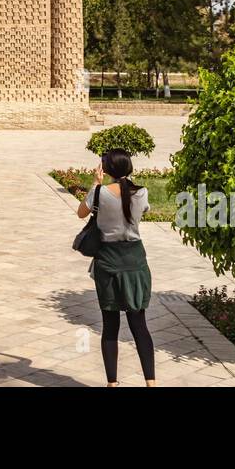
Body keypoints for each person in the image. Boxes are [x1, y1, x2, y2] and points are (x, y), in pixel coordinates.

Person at [76, 148, 155, 387]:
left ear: (106, 168)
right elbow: (144, 210)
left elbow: (81, 213)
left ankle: (112, 383)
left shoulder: (99, 193)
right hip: (135, 261)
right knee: (139, 323)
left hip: (108, 262)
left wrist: (95, 183)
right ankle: (151, 383)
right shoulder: (142, 192)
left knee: (110, 324)